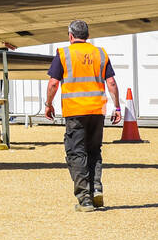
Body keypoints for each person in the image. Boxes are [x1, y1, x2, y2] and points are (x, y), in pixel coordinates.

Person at [45, 19, 121, 211]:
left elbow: (53, 83)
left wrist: (48, 104)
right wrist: (117, 107)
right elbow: (111, 83)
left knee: (76, 152)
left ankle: (84, 198)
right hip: (97, 111)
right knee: (94, 150)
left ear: (70, 35)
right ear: (87, 35)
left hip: (75, 111)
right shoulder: (100, 53)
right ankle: (96, 190)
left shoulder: (63, 54)